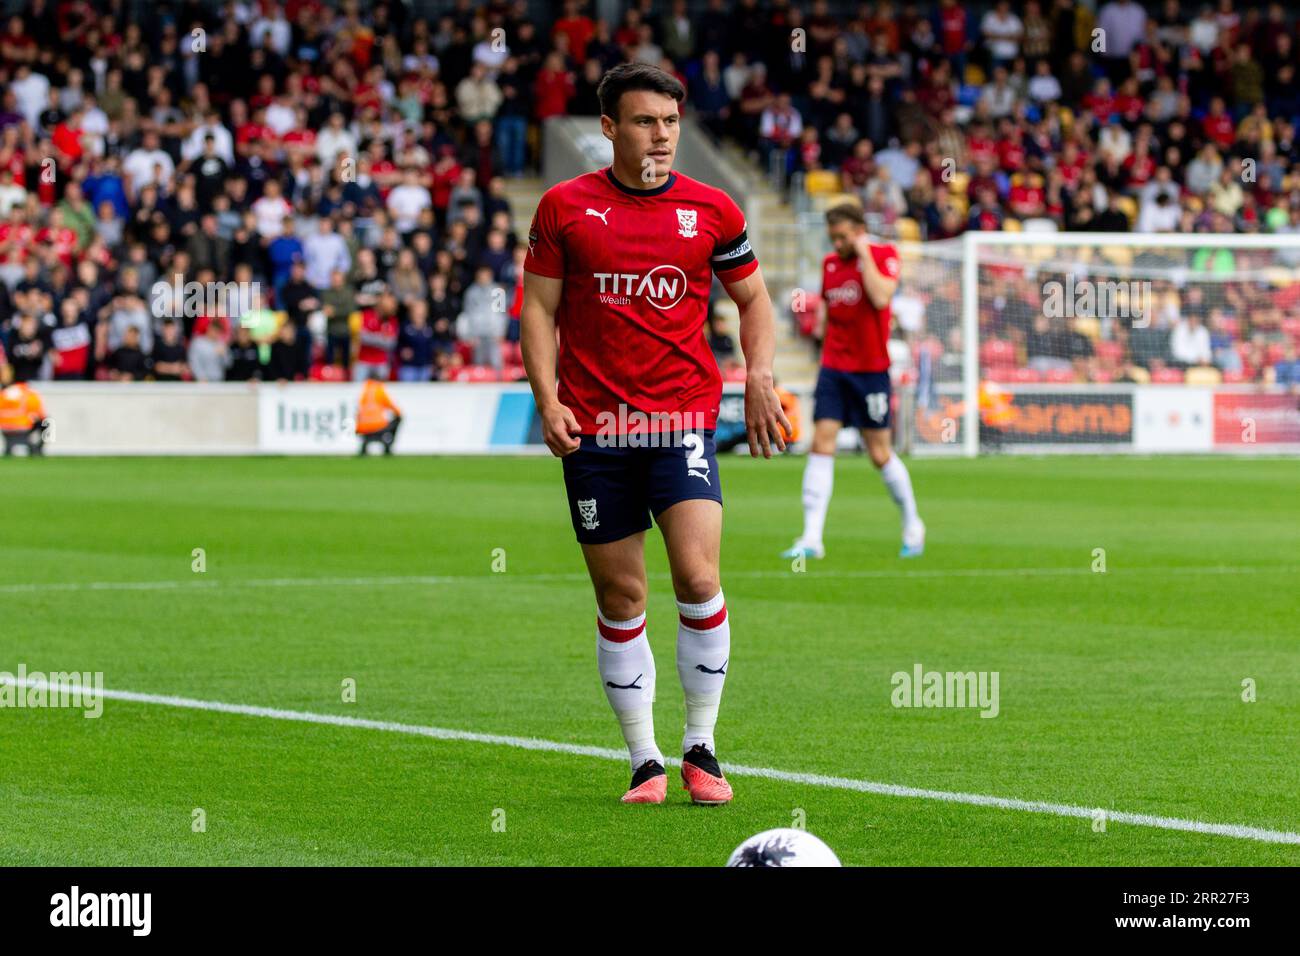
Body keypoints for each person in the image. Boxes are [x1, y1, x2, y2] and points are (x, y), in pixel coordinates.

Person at [520, 62, 790, 807]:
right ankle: (644, 760)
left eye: (671, 122)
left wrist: (759, 372)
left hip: (682, 421)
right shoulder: (564, 208)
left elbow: (754, 297)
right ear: (609, 128)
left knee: (698, 578)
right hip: (596, 428)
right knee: (622, 594)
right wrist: (547, 399)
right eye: (645, 121)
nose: (661, 136)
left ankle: (701, 745)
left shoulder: (712, 210)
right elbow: (538, 311)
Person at [782, 202, 925, 560]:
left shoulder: (883, 254)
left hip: (871, 369)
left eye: (844, 237)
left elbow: (880, 296)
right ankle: (812, 538)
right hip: (834, 367)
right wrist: (821, 330)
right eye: (834, 238)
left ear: (860, 232)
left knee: (879, 452)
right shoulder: (830, 264)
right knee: (822, 443)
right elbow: (828, 307)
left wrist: (864, 255)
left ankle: (912, 523)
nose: (838, 244)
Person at [355, 370, 402, 455]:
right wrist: (399, 413)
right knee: (397, 420)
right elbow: (390, 405)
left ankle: (365, 447)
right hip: (378, 424)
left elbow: (359, 408)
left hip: (362, 426)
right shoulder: (379, 389)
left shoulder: (365, 390)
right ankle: (388, 444)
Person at [0, 380, 49, 455]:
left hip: (4, 427)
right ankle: (38, 449)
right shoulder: (29, 394)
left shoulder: (4, 393)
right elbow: (40, 414)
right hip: (22, 425)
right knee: (46, 423)